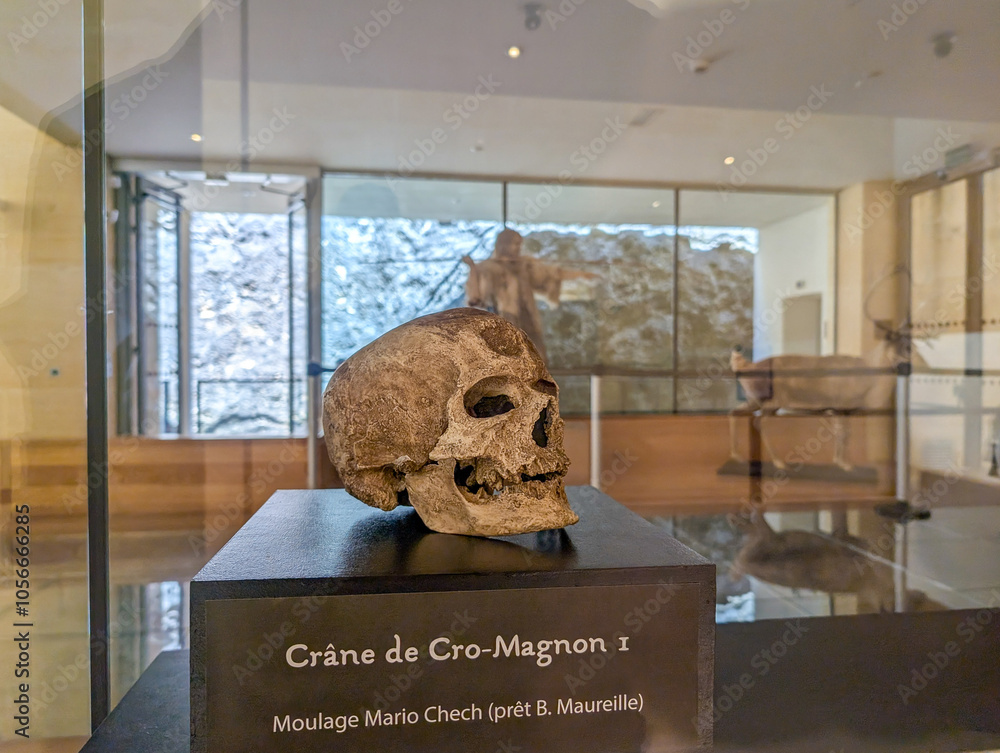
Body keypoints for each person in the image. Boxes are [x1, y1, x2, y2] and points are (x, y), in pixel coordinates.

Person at [462, 228, 596, 362]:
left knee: (534, 359)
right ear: (503, 244)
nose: (517, 248)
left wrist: (580, 275)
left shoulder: (525, 265)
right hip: (505, 318)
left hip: (528, 319)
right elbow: (476, 298)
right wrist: (473, 270)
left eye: (519, 244)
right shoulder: (488, 268)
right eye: (514, 244)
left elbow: (551, 274)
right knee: (509, 359)